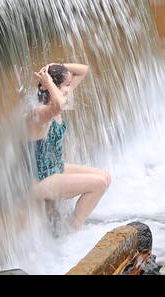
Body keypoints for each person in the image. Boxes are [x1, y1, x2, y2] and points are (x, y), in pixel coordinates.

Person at [27, 61, 111, 232]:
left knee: (105, 177)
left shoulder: (56, 103)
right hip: (41, 180)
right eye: (66, 85)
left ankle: (71, 223)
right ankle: (73, 229)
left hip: (56, 169)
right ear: (53, 88)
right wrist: (49, 82)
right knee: (99, 183)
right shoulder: (40, 113)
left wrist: (55, 65)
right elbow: (58, 103)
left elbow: (83, 70)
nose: (69, 89)